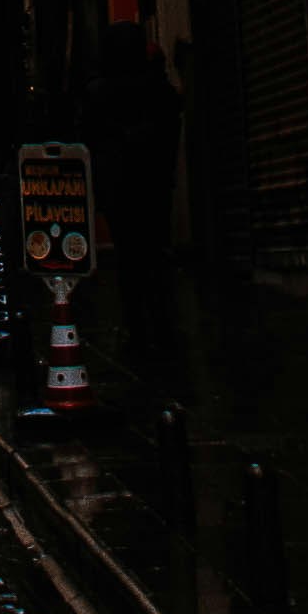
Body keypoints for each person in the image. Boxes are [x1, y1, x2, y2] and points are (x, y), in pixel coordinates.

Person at [101, 24, 185, 362]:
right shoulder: (160, 92)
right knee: (154, 255)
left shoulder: (103, 92)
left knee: (130, 259)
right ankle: (161, 327)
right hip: (153, 186)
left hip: (122, 190)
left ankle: (138, 328)